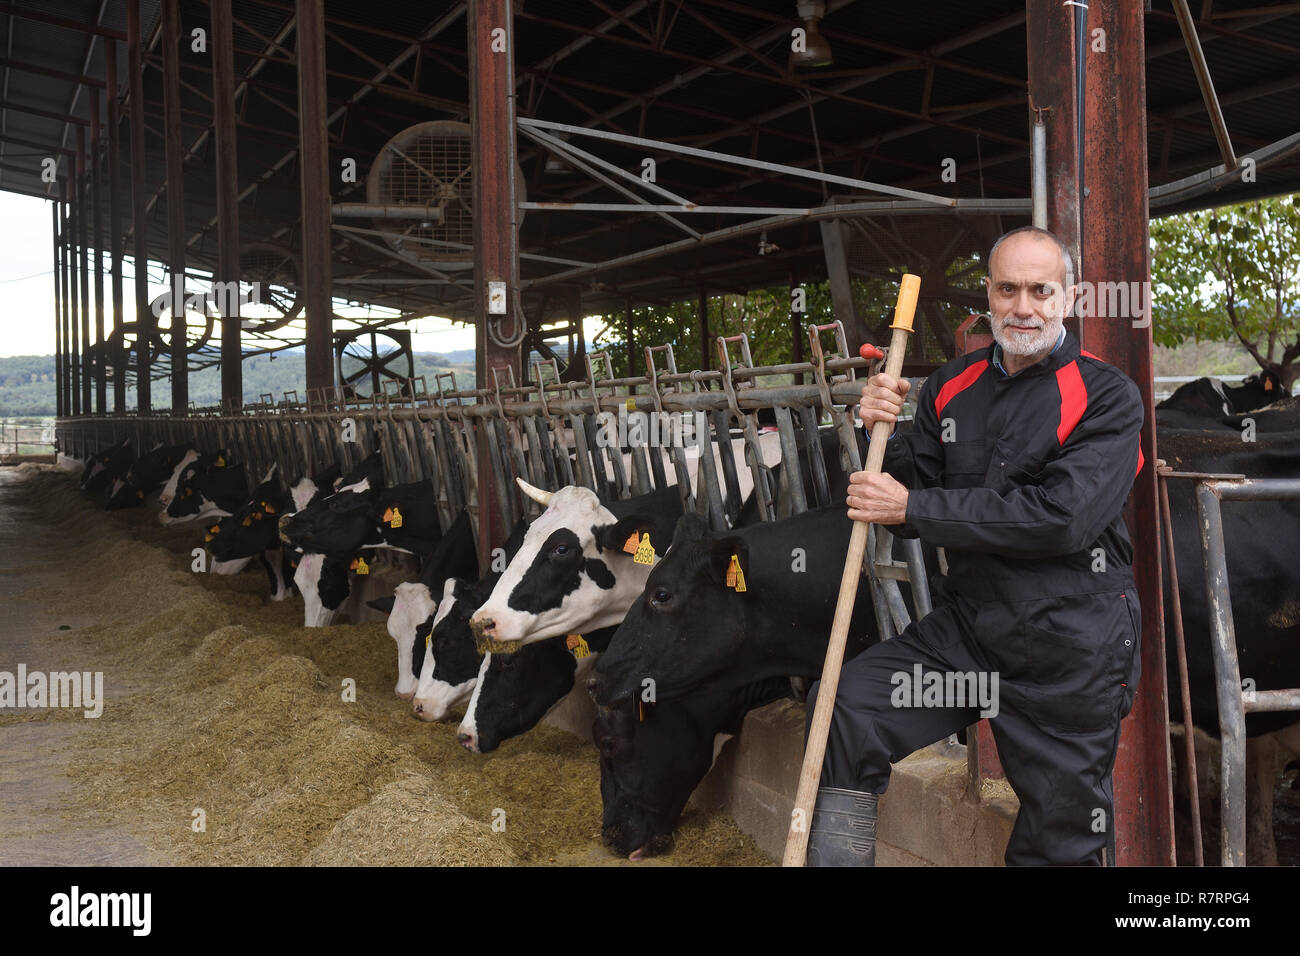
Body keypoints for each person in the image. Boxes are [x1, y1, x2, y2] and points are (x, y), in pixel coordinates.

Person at [804, 225, 1145, 866]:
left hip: (1068, 644)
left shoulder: (1107, 396)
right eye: (1008, 288)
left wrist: (912, 505)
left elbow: (1061, 521)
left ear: (1067, 298)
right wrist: (877, 429)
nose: (1024, 306)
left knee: (1058, 838)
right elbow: (906, 504)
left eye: (1040, 290)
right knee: (853, 706)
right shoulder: (951, 386)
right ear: (987, 296)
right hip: (969, 633)